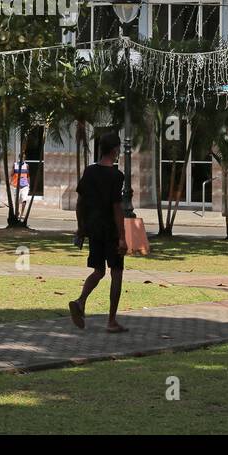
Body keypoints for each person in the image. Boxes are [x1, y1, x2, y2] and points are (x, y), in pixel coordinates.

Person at [69, 131, 128, 333]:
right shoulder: (116, 176)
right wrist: (122, 237)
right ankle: (111, 321)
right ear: (114, 150)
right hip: (110, 231)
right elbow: (117, 208)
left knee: (99, 271)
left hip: (93, 228)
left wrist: (81, 227)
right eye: (118, 148)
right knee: (117, 273)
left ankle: (80, 301)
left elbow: (80, 203)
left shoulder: (89, 172)